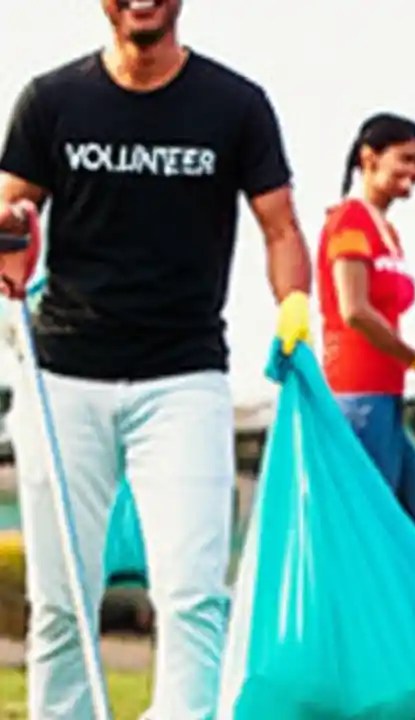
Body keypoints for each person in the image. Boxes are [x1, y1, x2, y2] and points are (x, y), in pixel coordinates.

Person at [0, 0, 311, 717]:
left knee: (194, 595)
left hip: (184, 380)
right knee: (62, 602)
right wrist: (14, 236)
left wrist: (294, 305)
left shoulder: (235, 105)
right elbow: (15, 211)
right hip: (65, 375)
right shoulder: (51, 101)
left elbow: (281, 226)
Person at [317, 113, 415, 549]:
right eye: (405, 159)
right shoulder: (349, 222)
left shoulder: (386, 229)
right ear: (369, 159)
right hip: (356, 396)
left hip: (387, 397)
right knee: (371, 531)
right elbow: (354, 310)